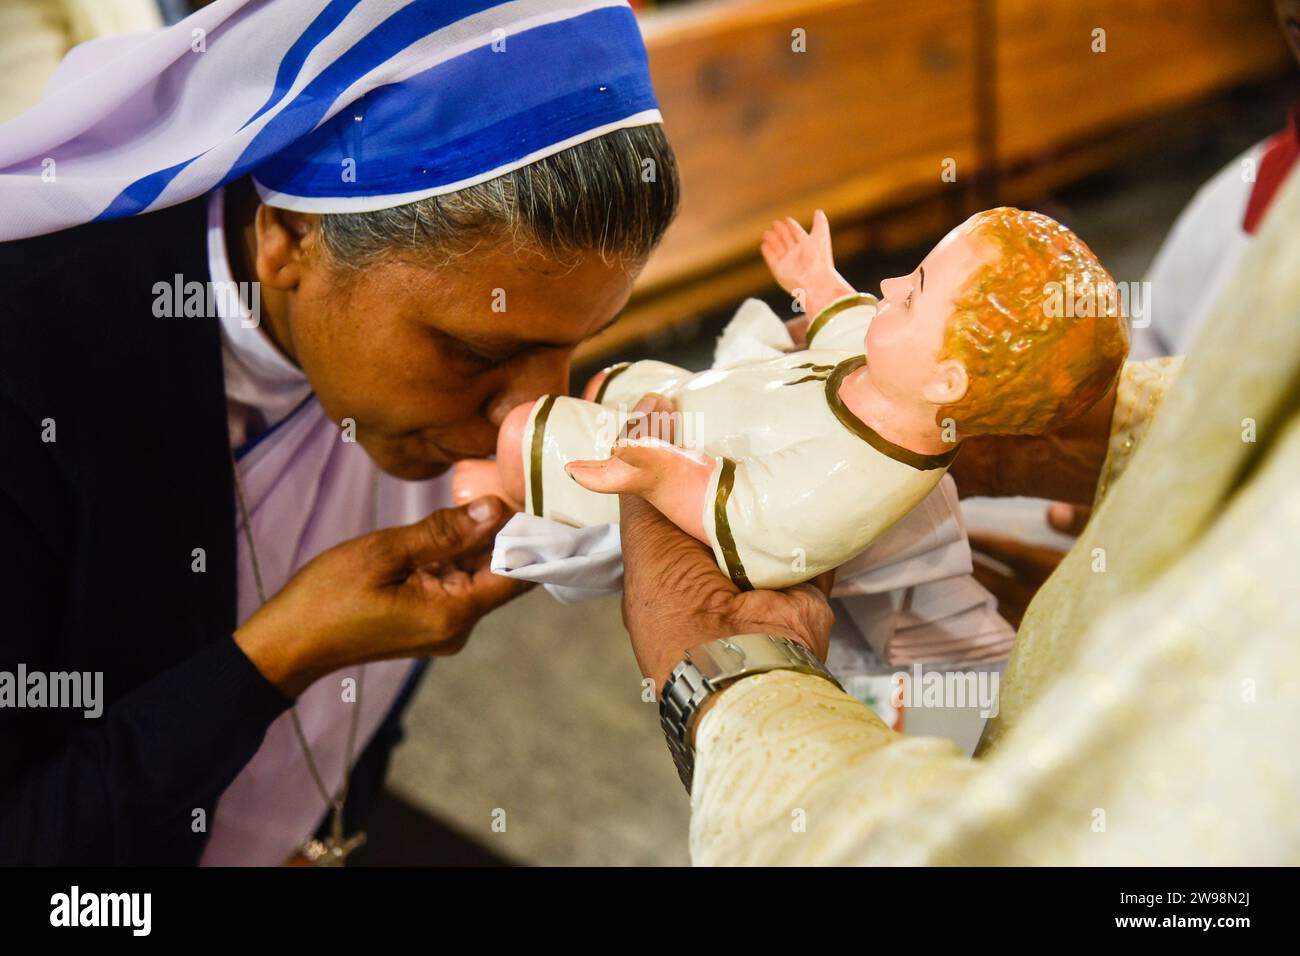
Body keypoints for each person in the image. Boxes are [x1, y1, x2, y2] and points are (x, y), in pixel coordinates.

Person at [0, 0, 678, 865]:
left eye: (573, 346)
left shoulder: (426, 349)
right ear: (287, 238)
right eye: (475, 351)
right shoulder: (31, 371)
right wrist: (281, 654)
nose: (530, 415)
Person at [616, 169, 1300, 865]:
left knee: (945, 662)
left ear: (946, 381)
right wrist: (818, 281)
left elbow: (760, 521)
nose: (886, 286)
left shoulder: (867, 474)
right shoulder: (906, 392)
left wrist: (733, 673)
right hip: (847, 503)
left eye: (911, 291)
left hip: (859, 577)